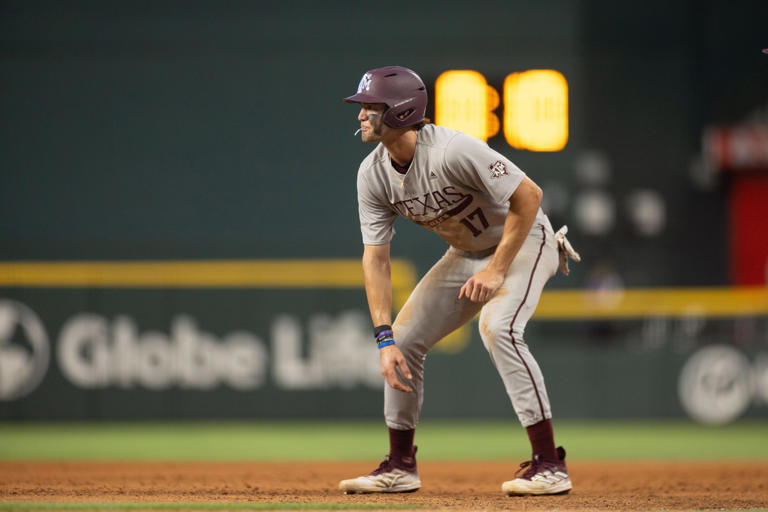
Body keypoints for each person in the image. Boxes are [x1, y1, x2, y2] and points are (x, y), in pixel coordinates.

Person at [338, 66, 580, 497]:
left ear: (399, 111)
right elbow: (376, 258)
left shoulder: (452, 149)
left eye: (370, 107)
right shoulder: (371, 175)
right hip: (467, 253)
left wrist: (497, 269)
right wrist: (383, 337)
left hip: (524, 240)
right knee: (404, 337)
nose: (360, 115)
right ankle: (400, 465)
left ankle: (549, 464)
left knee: (498, 327)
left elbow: (529, 197)